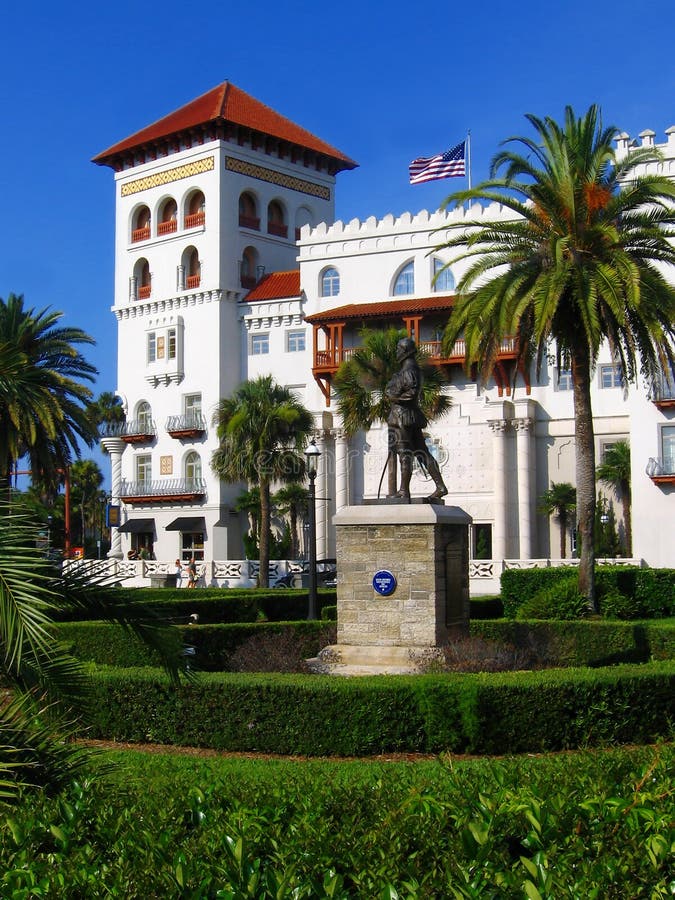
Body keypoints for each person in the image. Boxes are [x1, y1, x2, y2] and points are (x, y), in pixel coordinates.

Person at [385, 337, 448, 503]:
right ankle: (440, 486)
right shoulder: (410, 369)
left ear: (405, 351)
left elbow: (411, 393)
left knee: (405, 454)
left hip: (403, 417)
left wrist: (394, 397)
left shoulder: (408, 370)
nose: (397, 352)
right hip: (407, 416)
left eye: (399, 349)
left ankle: (404, 491)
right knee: (422, 452)